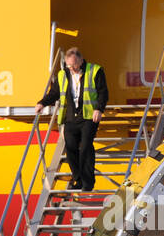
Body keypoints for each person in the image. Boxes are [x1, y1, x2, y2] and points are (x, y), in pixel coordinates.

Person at [34, 47, 108, 191]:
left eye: (74, 65)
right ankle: (78, 179)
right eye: (69, 65)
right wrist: (42, 103)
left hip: (88, 116)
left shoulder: (95, 71)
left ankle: (88, 182)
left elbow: (103, 92)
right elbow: (54, 93)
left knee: (86, 147)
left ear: (81, 61)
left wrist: (99, 109)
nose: (71, 68)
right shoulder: (63, 74)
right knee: (70, 147)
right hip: (70, 117)